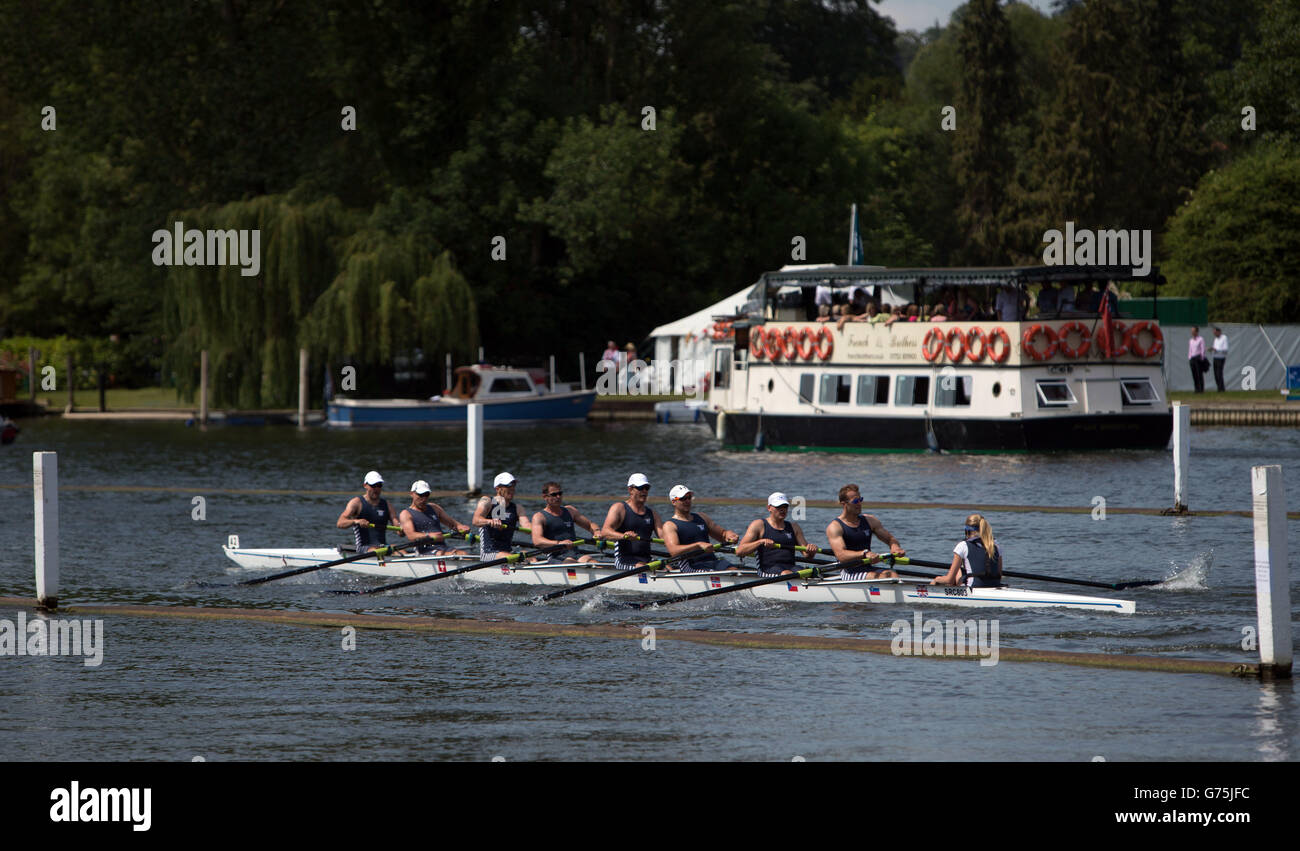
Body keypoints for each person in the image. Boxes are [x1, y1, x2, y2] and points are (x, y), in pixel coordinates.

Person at [824, 484, 906, 580]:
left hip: (868, 568)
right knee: (883, 577)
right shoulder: (835, 527)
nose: (859, 503)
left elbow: (890, 539)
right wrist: (864, 554)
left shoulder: (870, 520)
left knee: (892, 574)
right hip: (849, 572)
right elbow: (841, 555)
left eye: (860, 500)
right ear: (844, 504)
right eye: (855, 501)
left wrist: (895, 546)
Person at [735, 492, 821, 576]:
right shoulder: (759, 525)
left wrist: (812, 550)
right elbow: (739, 551)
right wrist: (760, 542)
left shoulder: (794, 527)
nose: (782, 510)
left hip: (791, 567)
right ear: (769, 508)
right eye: (778, 507)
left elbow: (807, 556)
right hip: (767, 569)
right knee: (787, 573)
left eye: (785, 506)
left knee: (810, 573)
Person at [661, 485, 740, 572]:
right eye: (683, 498)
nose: (687, 501)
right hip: (691, 565)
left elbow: (722, 534)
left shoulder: (702, 517)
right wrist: (698, 545)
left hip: (712, 561)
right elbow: (674, 551)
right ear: (673, 502)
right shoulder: (670, 525)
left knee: (734, 570)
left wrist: (729, 535)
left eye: (689, 497)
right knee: (721, 574)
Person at [601, 473, 664, 569]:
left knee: (668, 567)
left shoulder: (653, 514)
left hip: (646, 560)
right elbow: (605, 532)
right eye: (640, 488)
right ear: (630, 489)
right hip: (624, 560)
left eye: (646, 488)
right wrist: (624, 536)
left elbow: (664, 538)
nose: (644, 491)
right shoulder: (619, 508)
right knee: (642, 567)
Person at [531, 482, 602, 563]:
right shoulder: (539, 517)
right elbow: (537, 541)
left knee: (593, 562)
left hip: (575, 554)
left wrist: (596, 531)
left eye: (560, 493)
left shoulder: (570, 511)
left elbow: (590, 524)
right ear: (545, 497)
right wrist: (559, 543)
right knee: (571, 562)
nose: (558, 497)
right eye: (554, 494)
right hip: (556, 556)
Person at [399, 480, 471, 555]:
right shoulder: (406, 514)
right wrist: (429, 535)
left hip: (442, 547)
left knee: (463, 553)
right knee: (450, 554)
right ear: (412, 494)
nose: (424, 498)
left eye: (426, 494)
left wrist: (460, 526)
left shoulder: (434, 508)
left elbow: (452, 524)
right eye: (420, 495)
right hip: (424, 550)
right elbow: (411, 536)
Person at [932, 514, 1003, 588]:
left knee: (957, 572)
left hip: (974, 587)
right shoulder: (995, 544)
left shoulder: (963, 545)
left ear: (967, 531)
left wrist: (936, 580)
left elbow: (949, 580)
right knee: (960, 570)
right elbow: (999, 574)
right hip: (995, 586)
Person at [336, 470, 394, 552]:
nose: (376, 489)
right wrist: (356, 521)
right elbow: (340, 523)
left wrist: (402, 528)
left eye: (379, 485)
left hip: (382, 547)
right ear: (365, 485)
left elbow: (397, 525)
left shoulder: (387, 505)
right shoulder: (356, 503)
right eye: (373, 485)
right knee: (374, 550)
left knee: (400, 550)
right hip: (364, 548)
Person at [473, 472, 523, 559]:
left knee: (531, 557)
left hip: (507, 552)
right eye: (508, 486)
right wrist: (489, 521)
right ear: (497, 488)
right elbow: (476, 520)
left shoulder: (518, 508)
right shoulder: (487, 501)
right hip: (488, 553)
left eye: (513, 485)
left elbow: (526, 525)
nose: (512, 488)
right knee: (513, 557)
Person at [1187, 326, 1206, 393]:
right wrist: (1189, 357)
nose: (1192, 332)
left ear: (1197, 332)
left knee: (1199, 374)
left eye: (1193, 331)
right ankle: (1196, 389)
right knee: (1194, 374)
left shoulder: (1200, 339)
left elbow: (1202, 349)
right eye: (1191, 331)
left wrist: (1202, 358)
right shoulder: (1191, 340)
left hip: (1198, 358)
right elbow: (1190, 350)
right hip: (1192, 358)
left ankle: (1201, 389)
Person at [1211, 327, 1229, 392]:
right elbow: (1215, 347)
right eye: (1214, 333)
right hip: (1215, 357)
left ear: (1219, 332)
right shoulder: (1215, 339)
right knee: (1215, 374)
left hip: (1221, 358)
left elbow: (1225, 349)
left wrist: (1217, 350)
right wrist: (1212, 349)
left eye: (1215, 332)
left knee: (1219, 373)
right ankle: (1219, 388)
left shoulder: (1224, 338)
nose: (1214, 334)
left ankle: (1222, 388)